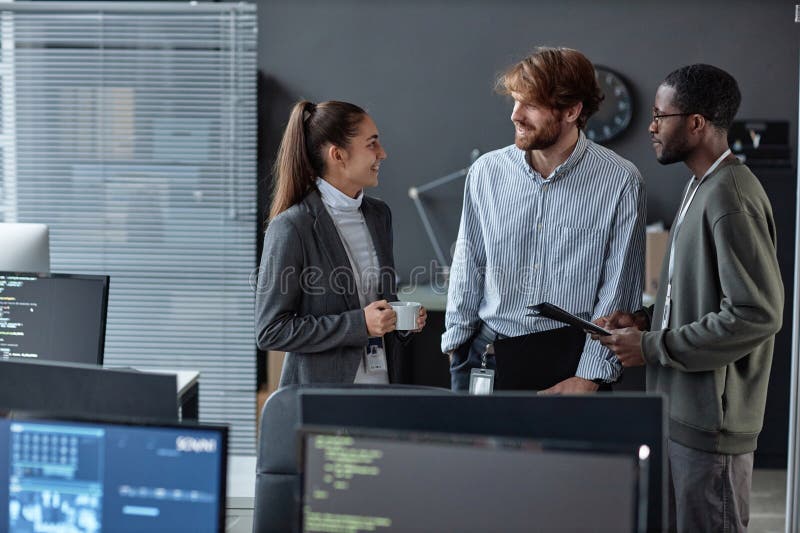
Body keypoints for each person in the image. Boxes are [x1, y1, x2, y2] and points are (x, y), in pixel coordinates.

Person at [596, 64, 783, 532]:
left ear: (696, 123)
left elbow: (756, 313)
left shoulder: (730, 196)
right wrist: (645, 322)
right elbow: (697, 297)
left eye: (661, 115)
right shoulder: (698, 187)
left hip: (711, 430)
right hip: (680, 418)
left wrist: (652, 347)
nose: (652, 126)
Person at [441, 46, 646, 393]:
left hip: (570, 363)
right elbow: (468, 264)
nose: (515, 116)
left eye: (531, 105)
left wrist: (589, 377)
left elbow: (617, 293)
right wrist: (456, 348)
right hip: (486, 358)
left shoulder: (620, 181)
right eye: (515, 102)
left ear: (572, 111)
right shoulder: (486, 173)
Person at [255, 100, 426, 386]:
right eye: (372, 144)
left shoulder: (378, 215)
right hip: (325, 402)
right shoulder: (292, 226)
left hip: (384, 387)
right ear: (338, 155)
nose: (382, 153)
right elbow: (271, 331)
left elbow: (378, 302)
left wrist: (401, 320)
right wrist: (360, 325)